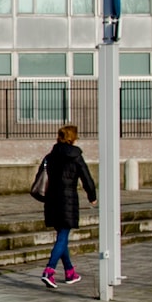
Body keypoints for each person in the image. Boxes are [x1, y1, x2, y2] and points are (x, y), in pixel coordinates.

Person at [38, 123, 97, 289]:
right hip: (68, 200)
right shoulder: (75, 155)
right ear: (72, 138)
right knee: (63, 235)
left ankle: (70, 272)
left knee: (61, 235)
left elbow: (40, 176)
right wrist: (92, 196)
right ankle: (49, 270)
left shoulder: (50, 156)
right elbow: (86, 177)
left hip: (51, 200)